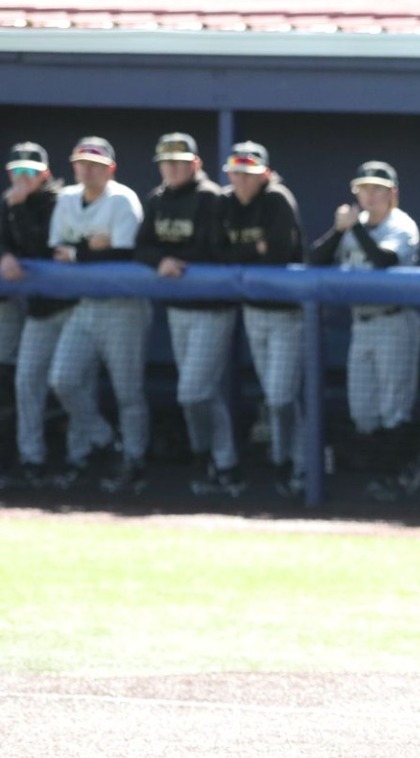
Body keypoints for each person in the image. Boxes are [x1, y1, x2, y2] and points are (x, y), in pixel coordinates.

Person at [309, 160, 420, 502]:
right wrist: (339, 231)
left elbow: (383, 262)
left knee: (393, 407)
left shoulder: (401, 225)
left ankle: (395, 476)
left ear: (392, 194)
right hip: (361, 325)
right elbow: (314, 261)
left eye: (377, 189)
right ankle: (407, 462)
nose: (369, 195)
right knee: (362, 411)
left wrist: (355, 229)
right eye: (364, 188)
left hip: (395, 321)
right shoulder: (353, 224)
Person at [135, 132, 242, 497]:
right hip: (179, 309)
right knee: (200, 391)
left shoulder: (210, 196)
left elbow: (211, 249)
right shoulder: (157, 199)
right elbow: (142, 246)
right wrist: (161, 259)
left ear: (195, 164)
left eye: (180, 162)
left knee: (193, 392)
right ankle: (217, 464)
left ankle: (216, 459)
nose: (173, 168)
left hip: (212, 307)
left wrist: (173, 255)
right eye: (167, 162)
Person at [46, 136, 149, 493]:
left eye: (96, 165)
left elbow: (122, 256)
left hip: (123, 308)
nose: (87, 170)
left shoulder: (123, 200)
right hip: (86, 306)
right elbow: (55, 250)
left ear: (111, 169)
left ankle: (134, 461)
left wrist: (78, 253)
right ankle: (106, 443)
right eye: (82, 163)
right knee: (63, 380)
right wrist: (88, 249)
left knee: (128, 392)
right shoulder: (66, 199)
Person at [217, 141, 307, 497]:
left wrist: (246, 255)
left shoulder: (277, 199)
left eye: (249, 174)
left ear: (264, 175)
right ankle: (284, 461)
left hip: (286, 311)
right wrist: (252, 251)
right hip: (253, 310)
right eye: (236, 173)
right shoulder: (225, 202)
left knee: (282, 396)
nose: (240, 180)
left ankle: (298, 462)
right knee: (273, 395)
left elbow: (280, 253)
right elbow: (216, 250)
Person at [0, 142, 74, 490]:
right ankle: (32, 458)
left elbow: (40, 245)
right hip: (39, 311)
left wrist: (17, 210)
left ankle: (82, 455)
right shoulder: (9, 203)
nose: (22, 178)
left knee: (71, 383)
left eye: (30, 172)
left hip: (76, 308)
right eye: (17, 172)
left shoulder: (59, 200)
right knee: (26, 381)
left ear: (45, 174)